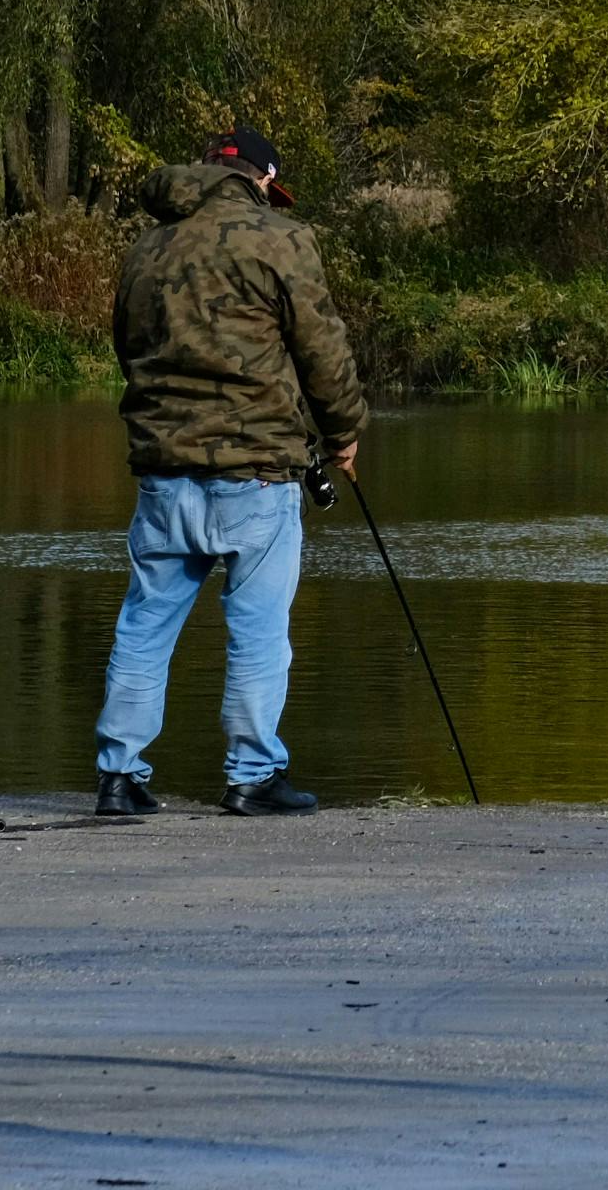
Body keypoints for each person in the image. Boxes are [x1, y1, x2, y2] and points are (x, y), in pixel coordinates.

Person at [94, 127, 365, 818]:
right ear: (263, 180)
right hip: (259, 473)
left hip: (163, 469)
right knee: (258, 628)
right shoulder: (281, 239)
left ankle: (119, 778)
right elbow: (322, 349)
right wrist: (343, 436)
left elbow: (127, 342)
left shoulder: (147, 248)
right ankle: (252, 776)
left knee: (144, 625)